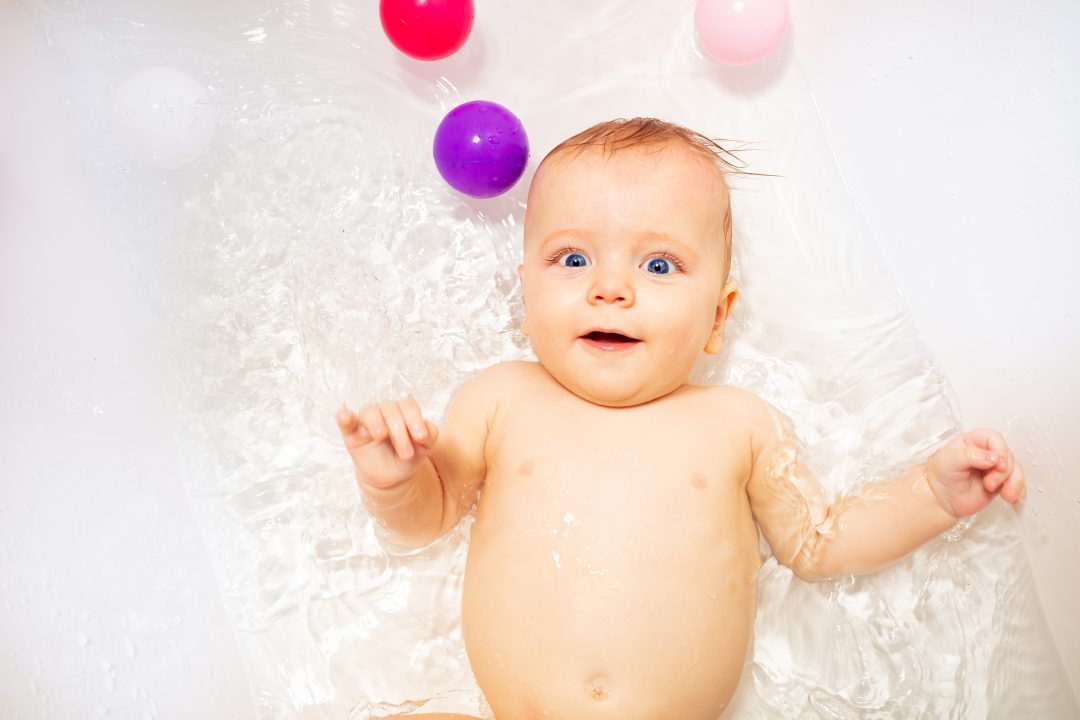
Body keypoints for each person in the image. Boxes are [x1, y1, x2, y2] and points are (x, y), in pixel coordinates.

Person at [335, 117, 1026, 720]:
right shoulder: (499, 400)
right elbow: (426, 521)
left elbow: (820, 543)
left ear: (718, 317)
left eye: (659, 264)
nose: (611, 288)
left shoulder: (738, 425)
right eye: (572, 258)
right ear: (527, 294)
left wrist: (932, 495)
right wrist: (396, 483)